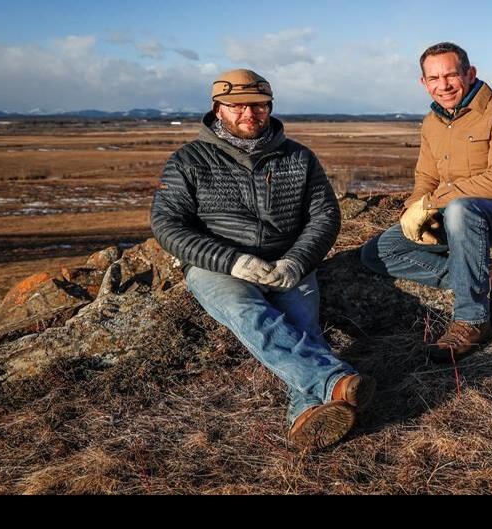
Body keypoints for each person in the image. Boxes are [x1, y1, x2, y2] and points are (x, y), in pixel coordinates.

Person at [151, 68, 373, 450]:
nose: (249, 114)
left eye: (258, 106)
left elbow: (325, 216)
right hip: (219, 267)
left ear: (269, 107)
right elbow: (167, 224)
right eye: (237, 106)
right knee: (247, 311)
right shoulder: (188, 160)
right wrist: (232, 261)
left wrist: (297, 262)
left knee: (303, 325)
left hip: (287, 261)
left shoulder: (299, 158)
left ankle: (304, 418)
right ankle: (332, 381)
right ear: (217, 109)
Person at [360, 42, 492, 362]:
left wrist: (431, 204)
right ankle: (484, 276)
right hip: (456, 215)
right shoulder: (432, 122)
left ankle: (471, 320)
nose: (442, 85)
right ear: (423, 83)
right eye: (433, 78)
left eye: (451, 75)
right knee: (379, 252)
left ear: (470, 74)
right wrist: (413, 209)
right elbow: (426, 178)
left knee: (460, 209)